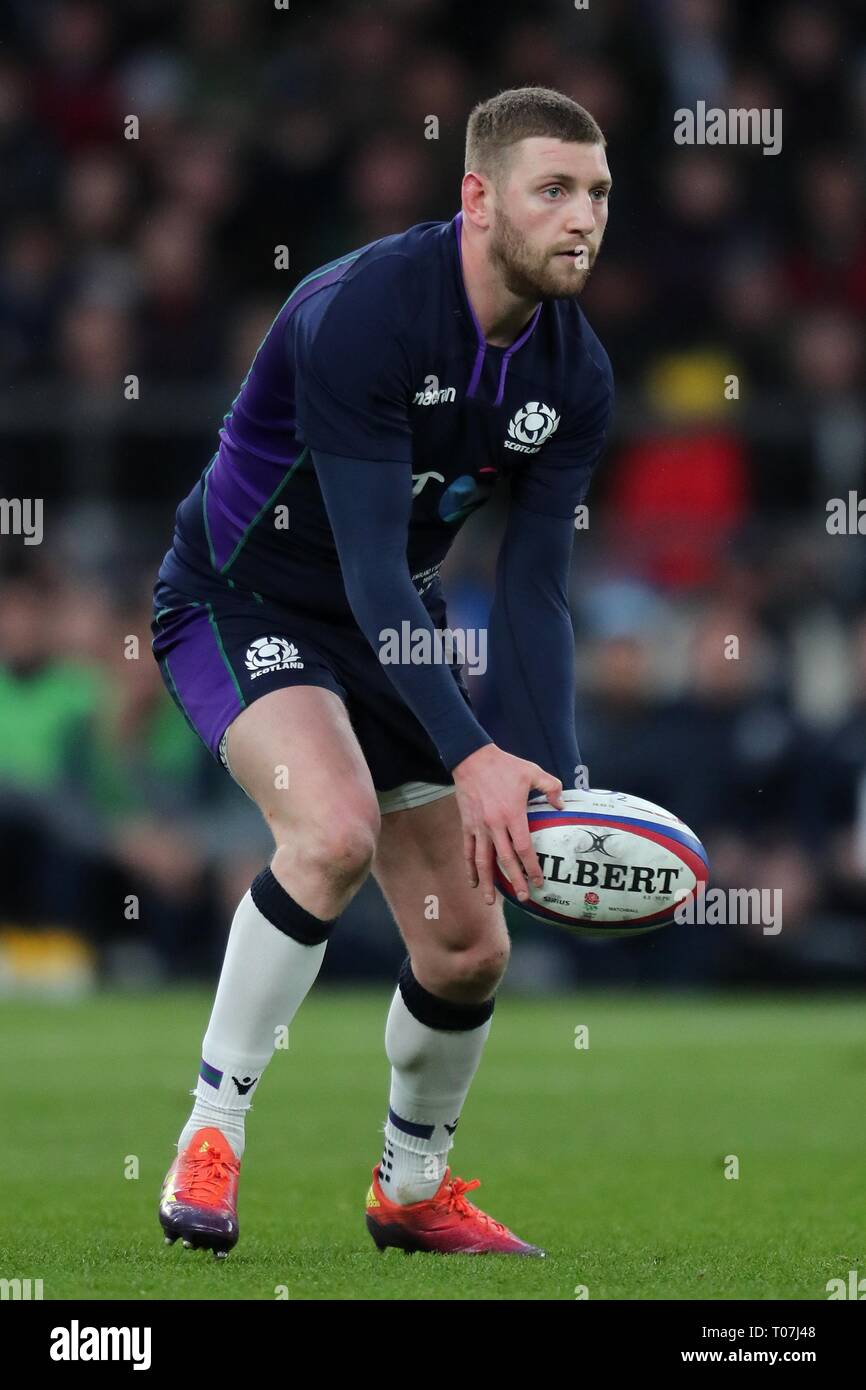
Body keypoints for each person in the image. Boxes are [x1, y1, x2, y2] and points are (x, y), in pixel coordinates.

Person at [152, 85, 613, 1258]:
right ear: (476, 197)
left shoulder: (576, 374)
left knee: (469, 943)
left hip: (387, 622)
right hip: (242, 597)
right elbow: (361, 570)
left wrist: (545, 776)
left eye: (598, 193)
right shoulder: (364, 311)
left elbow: (534, 592)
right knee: (332, 833)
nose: (582, 218)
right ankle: (210, 1134)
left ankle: (410, 1187)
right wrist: (470, 753)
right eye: (552, 190)